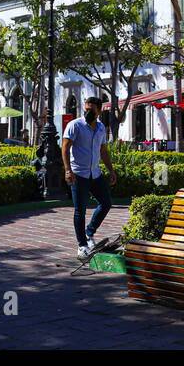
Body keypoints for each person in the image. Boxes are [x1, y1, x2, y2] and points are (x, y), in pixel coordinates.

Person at [61, 95, 117, 259]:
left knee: (106, 203)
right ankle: (82, 245)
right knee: (80, 211)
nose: (88, 113)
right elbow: (64, 148)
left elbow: (103, 151)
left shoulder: (100, 128)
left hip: (95, 173)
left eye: (91, 110)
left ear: (99, 111)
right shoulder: (75, 125)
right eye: (86, 109)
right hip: (79, 174)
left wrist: (111, 170)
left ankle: (89, 232)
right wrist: (67, 170)